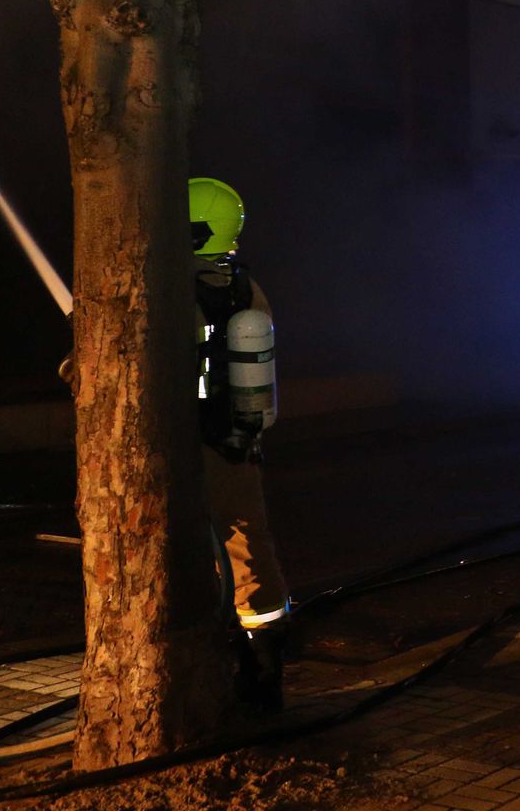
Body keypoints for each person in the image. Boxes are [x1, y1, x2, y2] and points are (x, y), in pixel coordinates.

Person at [190, 176, 291, 711]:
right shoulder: (244, 288)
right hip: (239, 439)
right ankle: (266, 660)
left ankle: (248, 671)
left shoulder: (178, 288)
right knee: (246, 540)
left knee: (211, 547)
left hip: (195, 443)